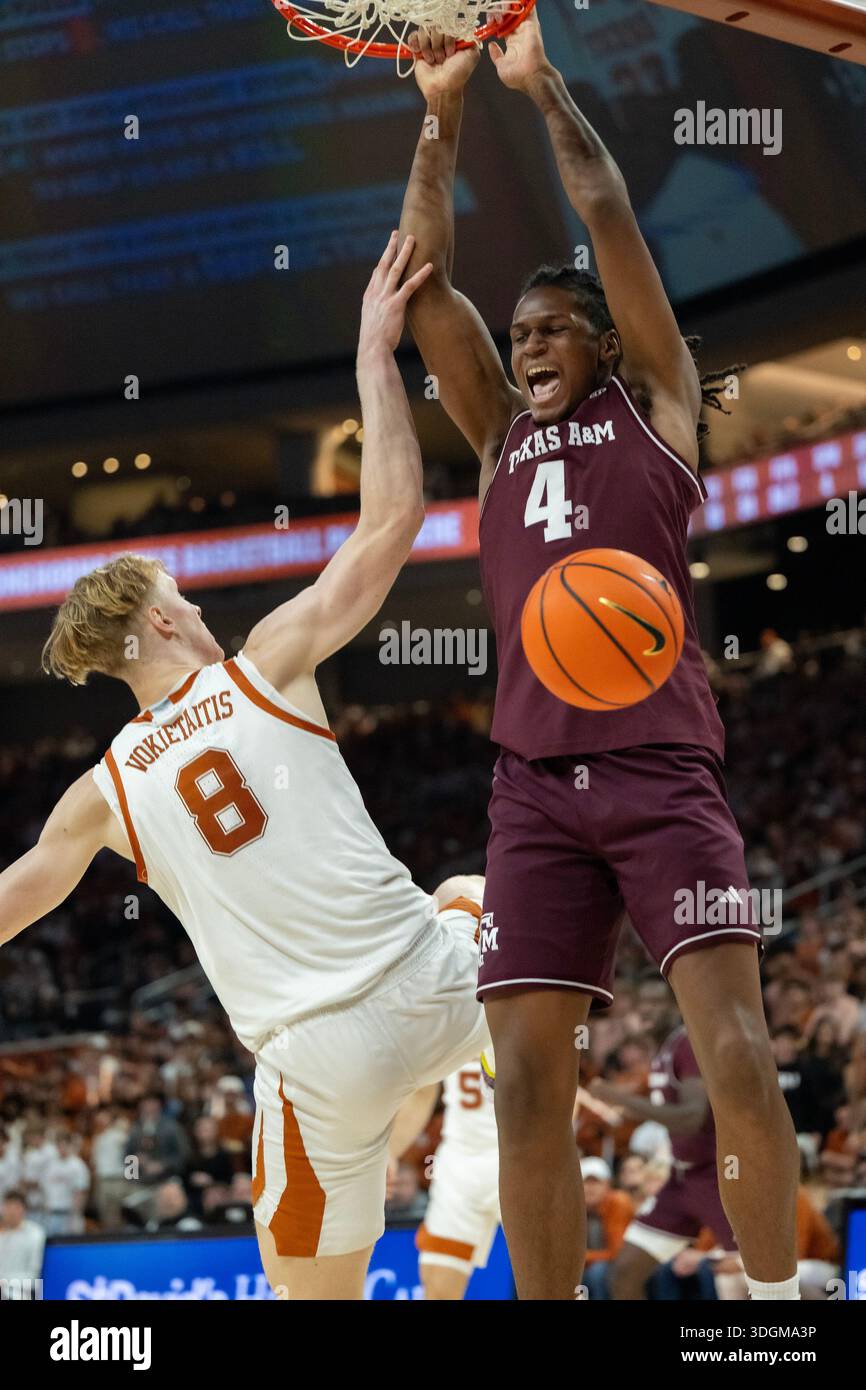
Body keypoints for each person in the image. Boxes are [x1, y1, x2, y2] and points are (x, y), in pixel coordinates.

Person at [0, 235, 489, 1301]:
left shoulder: (101, 794)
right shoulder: (267, 664)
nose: (204, 605)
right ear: (167, 620)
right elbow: (393, 517)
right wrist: (372, 353)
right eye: (188, 597)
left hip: (316, 1064)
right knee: (481, 893)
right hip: (435, 983)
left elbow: (11, 903)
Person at [398, 10, 799, 1299]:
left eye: (550, 331)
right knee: (522, 1084)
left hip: (659, 771)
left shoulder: (661, 405)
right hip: (532, 793)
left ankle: (778, 1304)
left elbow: (606, 212)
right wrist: (439, 112)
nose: (524, 349)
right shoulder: (497, 434)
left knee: (732, 1052)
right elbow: (422, 280)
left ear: (607, 345)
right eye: (516, 339)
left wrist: (533, 83)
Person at [593, 1023, 737, 1300]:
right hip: (681, 1179)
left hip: (718, 1176)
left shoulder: (692, 1040)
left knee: (756, 1276)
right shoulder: (669, 1047)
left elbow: (692, 1118)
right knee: (624, 1272)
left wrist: (622, 1100)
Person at [416, 1060, 500, 1300]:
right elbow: (422, 1090)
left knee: (552, 1278)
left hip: (520, 1160)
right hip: (462, 1164)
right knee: (437, 1283)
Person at [0, 1191, 45, 1299]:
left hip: (20, 1293)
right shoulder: (2, 1235)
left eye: (15, 1207)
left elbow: (33, 1275)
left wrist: (4, 1282)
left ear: (24, 1209)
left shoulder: (35, 1233)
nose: (11, 1212)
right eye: (8, 1207)